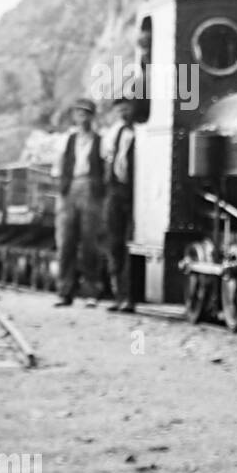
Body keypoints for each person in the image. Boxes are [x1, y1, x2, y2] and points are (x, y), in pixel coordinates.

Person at [53, 98, 104, 307]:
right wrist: (62, 191)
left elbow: (105, 167)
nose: (83, 118)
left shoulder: (101, 141)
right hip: (70, 189)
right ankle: (65, 291)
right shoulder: (66, 140)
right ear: (74, 116)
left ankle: (91, 291)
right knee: (66, 243)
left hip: (90, 190)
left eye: (87, 114)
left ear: (92, 117)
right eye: (80, 113)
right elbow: (58, 168)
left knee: (89, 242)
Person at [103, 98, 137, 312]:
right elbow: (107, 159)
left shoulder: (138, 133)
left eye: (126, 108)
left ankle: (129, 297)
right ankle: (118, 295)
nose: (123, 112)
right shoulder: (113, 133)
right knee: (114, 243)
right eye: (119, 109)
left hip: (132, 192)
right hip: (114, 191)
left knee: (128, 244)